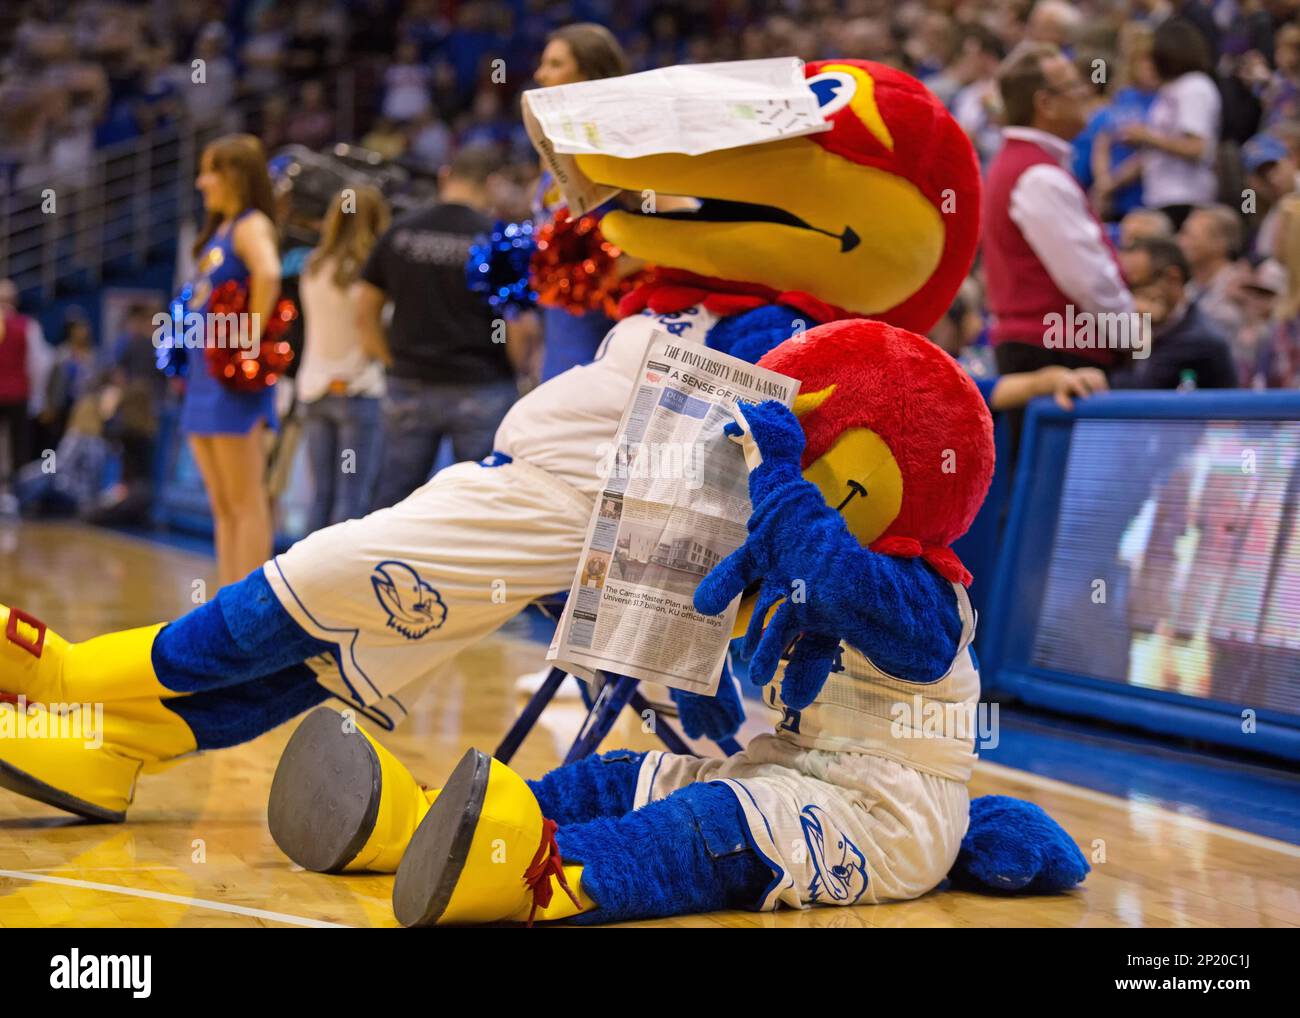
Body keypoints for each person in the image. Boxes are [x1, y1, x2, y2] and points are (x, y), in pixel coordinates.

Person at [981, 43, 1134, 445]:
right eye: (1073, 87)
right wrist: (1134, 334)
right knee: (1065, 495)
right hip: (1057, 356)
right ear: (1044, 103)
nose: (1086, 92)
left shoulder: (1020, 167)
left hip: (1039, 350)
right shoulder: (1038, 176)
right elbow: (1089, 279)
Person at [358, 145, 521, 511]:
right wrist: (519, 371)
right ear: (493, 183)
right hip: (481, 384)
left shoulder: (401, 232)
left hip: (410, 382)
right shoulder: (497, 240)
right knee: (479, 502)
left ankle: (382, 567)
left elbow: (364, 311)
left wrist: (390, 361)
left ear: (446, 175)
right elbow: (518, 324)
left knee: (392, 501)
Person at [182, 133, 283, 587]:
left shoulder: (249, 224)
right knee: (221, 503)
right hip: (203, 379)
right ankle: (226, 603)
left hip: (231, 381)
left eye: (211, 171)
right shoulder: (217, 233)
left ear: (237, 177)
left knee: (246, 500)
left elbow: (269, 272)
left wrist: (249, 339)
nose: (202, 182)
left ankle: (247, 611)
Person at [532, 23, 633, 381]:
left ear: (589, 74)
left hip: (606, 324)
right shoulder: (551, 149)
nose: (540, 74)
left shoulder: (618, 147)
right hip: (559, 329)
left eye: (556, 64)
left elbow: (665, 233)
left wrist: (596, 274)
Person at [297, 185, 390, 533]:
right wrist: (391, 361)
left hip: (315, 389)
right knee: (353, 499)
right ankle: (339, 586)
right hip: (359, 388)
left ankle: (304, 580)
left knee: (321, 495)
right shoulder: (372, 270)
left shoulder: (313, 266)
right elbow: (368, 327)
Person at [1121, 18, 1221, 230]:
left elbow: (1197, 147)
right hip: (1159, 195)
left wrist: (1147, 137)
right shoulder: (1169, 89)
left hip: (1185, 196)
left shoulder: (1195, 86)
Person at [1114, 237, 1237, 389]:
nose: (1124, 297)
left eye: (1135, 285)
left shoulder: (1200, 341)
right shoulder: (1146, 326)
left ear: (1173, 278)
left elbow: (1139, 391)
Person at [1178, 204, 1246, 339]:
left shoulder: (1240, 289)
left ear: (1221, 243)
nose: (1180, 242)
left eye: (1190, 236)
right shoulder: (1188, 288)